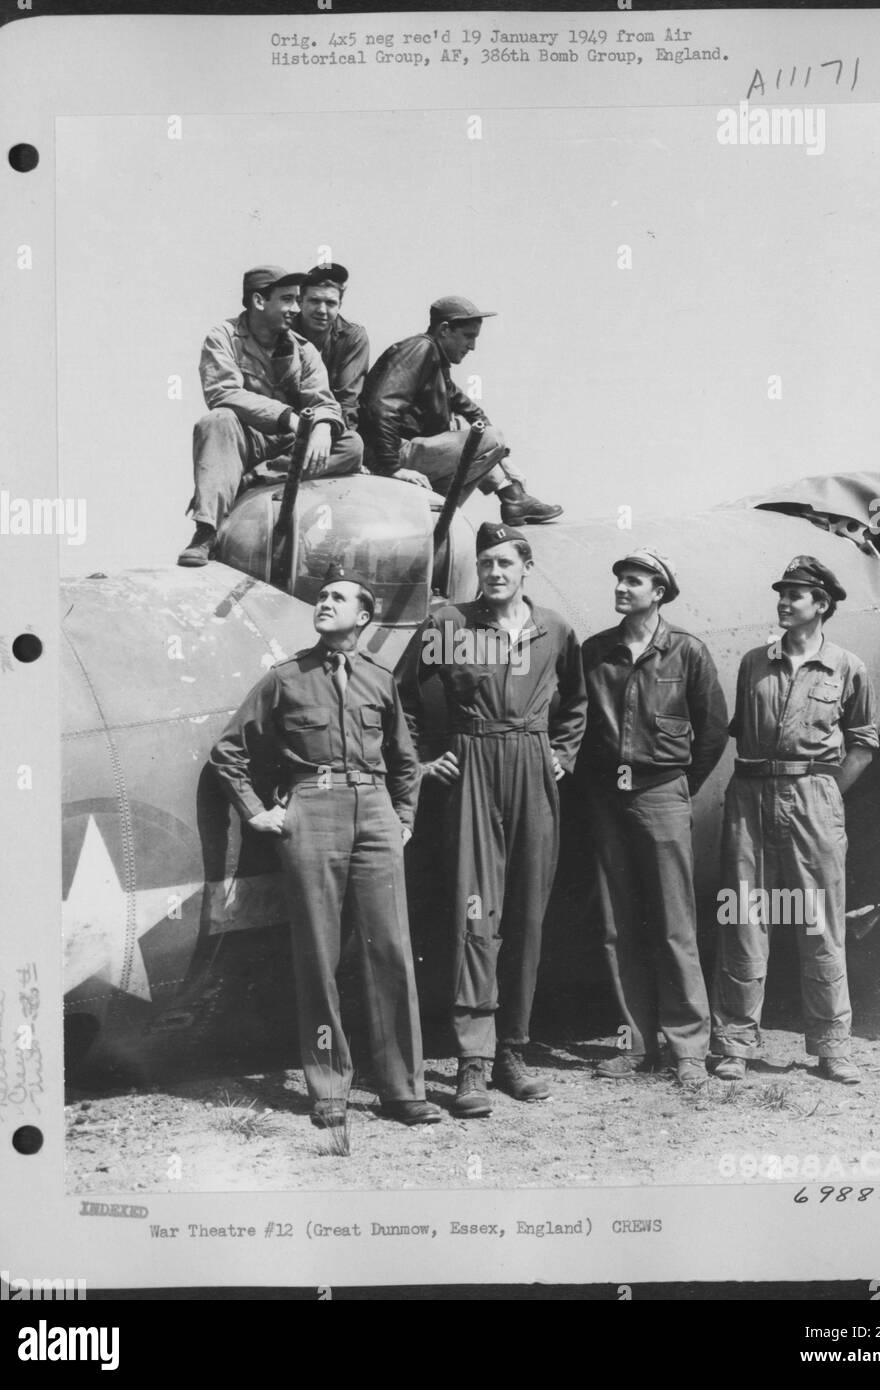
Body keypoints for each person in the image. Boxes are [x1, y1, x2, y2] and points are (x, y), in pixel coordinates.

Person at [209, 564, 440, 1126]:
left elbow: (405, 760)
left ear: (363, 616)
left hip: (376, 811)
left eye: (338, 598)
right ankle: (329, 1087)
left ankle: (403, 1089)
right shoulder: (287, 677)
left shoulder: (379, 679)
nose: (325, 602)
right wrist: (258, 813)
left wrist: (403, 818)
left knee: (390, 951)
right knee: (319, 953)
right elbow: (229, 753)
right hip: (313, 812)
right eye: (321, 596)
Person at [399, 522, 586, 1116]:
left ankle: (512, 1050)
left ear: (526, 566)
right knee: (475, 911)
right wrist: (424, 760)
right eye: (486, 563)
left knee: (528, 912)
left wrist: (563, 753)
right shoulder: (450, 626)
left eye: (505, 562)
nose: (495, 572)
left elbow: (576, 702)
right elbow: (400, 698)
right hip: (474, 764)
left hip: (532, 767)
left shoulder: (554, 629)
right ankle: (471, 1064)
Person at [710, 556, 878, 1085]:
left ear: (821, 605)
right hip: (752, 796)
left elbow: (864, 744)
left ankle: (832, 1048)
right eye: (781, 593)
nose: (784, 602)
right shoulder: (753, 662)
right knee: (743, 918)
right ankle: (734, 1044)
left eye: (796, 595)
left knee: (820, 923)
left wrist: (825, 793)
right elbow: (741, 730)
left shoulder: (848, 667)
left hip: (814, 800)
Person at [580, 548, 728, 1088]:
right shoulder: (596, 651)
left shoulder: (687, 651)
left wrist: (678, 787)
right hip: (605, 797)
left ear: (658, 592)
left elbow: (713, 730)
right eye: (619, 579)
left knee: (673, 922)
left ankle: (689, 1048)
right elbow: (575, 717)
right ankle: (634, 1044)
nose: (622, 588)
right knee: (618, 924)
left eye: (634, 581)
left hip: (662, 792)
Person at [179, 265, 364, 566]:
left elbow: (324, 402)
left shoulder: (303, 350)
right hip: (245, 439)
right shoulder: (223, 337)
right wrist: (286, 416)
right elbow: (222, 392)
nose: (296, 308)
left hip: (286, 448)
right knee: (216, 421)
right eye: (288, 299)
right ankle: (206, 532)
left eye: (296, 300)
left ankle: (254, 479)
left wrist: (323, 427)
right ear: (259, 301)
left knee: (352, 444)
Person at [358, 296, 563, 524]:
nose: (472, 347)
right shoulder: (420, 349)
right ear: (445, 329)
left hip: (403, 454)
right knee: (489, 438)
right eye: (468, 337)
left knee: (480, 438)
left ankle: (513, 497)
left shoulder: (438, 361)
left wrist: (504, 459)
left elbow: (472, 411)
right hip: (390, 456)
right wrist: (391, 468)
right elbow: (382, 407)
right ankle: (511, 498)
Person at [294, 263, 369, 432]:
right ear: (299, 302)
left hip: (330, 423)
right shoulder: (284, 331)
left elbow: (348, 400)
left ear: (339, 305)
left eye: (330, 303)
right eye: (314, 301)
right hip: (289, 420)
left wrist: (336, 434)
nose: (322, 310)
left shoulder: (352, 337)